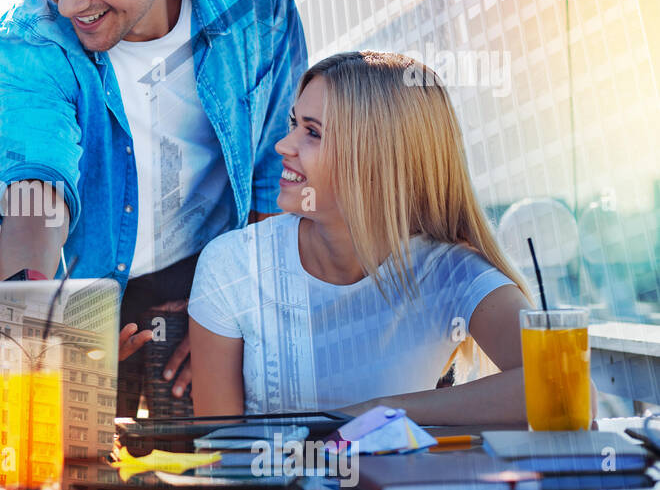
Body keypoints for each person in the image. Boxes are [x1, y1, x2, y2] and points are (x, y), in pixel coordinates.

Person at [0, 0, 307, 416]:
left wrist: (243, 299)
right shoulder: (31, 37)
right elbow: (35, 182)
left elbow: (273, 156)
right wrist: (38, 319)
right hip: (87, 299)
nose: (67, 1)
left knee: (221, 476)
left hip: (215, 273)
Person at [188, 51, 533, 425]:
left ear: (378, 158)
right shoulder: (232, 264)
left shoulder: (449, 271)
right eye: (293, 124)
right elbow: (218, 450)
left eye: (313, 132)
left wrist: (382, 412)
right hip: (271, 485)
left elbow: (565, 388)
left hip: (392, 483)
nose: (283, 146)